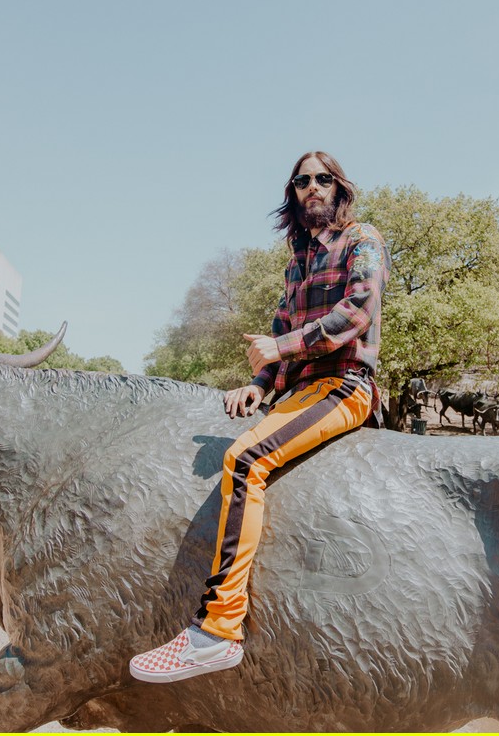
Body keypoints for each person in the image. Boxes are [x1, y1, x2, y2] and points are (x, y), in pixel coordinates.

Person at [129, 151, 390, 683]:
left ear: (338, 187)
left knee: (245, 459)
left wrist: (281, 347)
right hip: (296, 391)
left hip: (344, 385)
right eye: (301, 181)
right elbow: (276, 333)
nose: (311, 187)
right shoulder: (296, 261)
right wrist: (256, 383)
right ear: (293, 193)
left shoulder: (363, 239)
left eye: (321, 179)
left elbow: (357, 311)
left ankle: (218, 631)